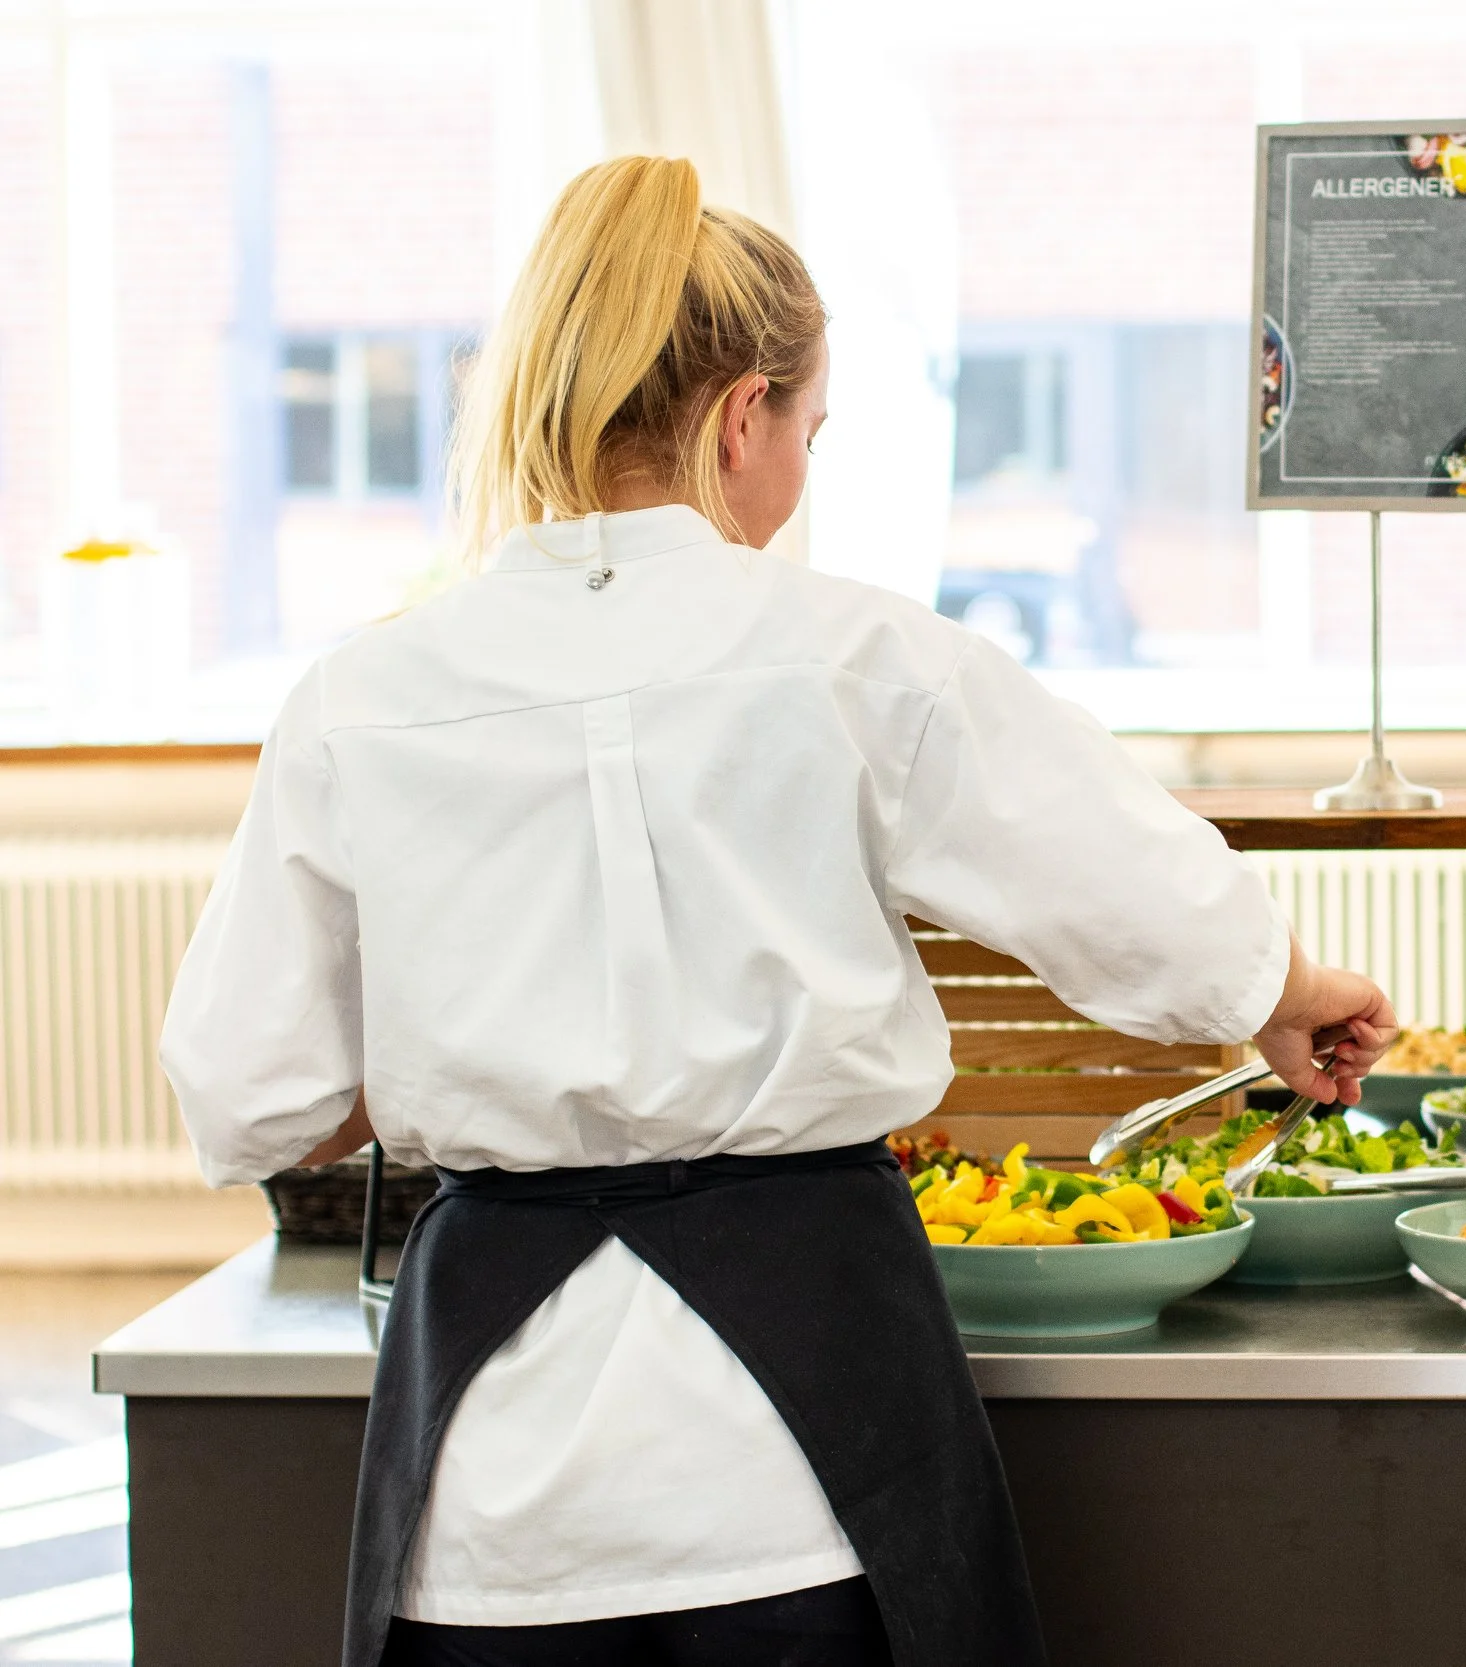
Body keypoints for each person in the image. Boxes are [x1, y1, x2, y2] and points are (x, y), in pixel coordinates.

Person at [159, 155, 1396, 1667]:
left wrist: (458, 1049)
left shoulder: (356, 699)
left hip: (497, 1501)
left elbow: (246, 1096)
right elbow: (1114, 872)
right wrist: (1290, 986)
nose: (800, 467)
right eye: (808, 429)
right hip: (804, 1460)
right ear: (742, 415)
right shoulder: (857, 657)